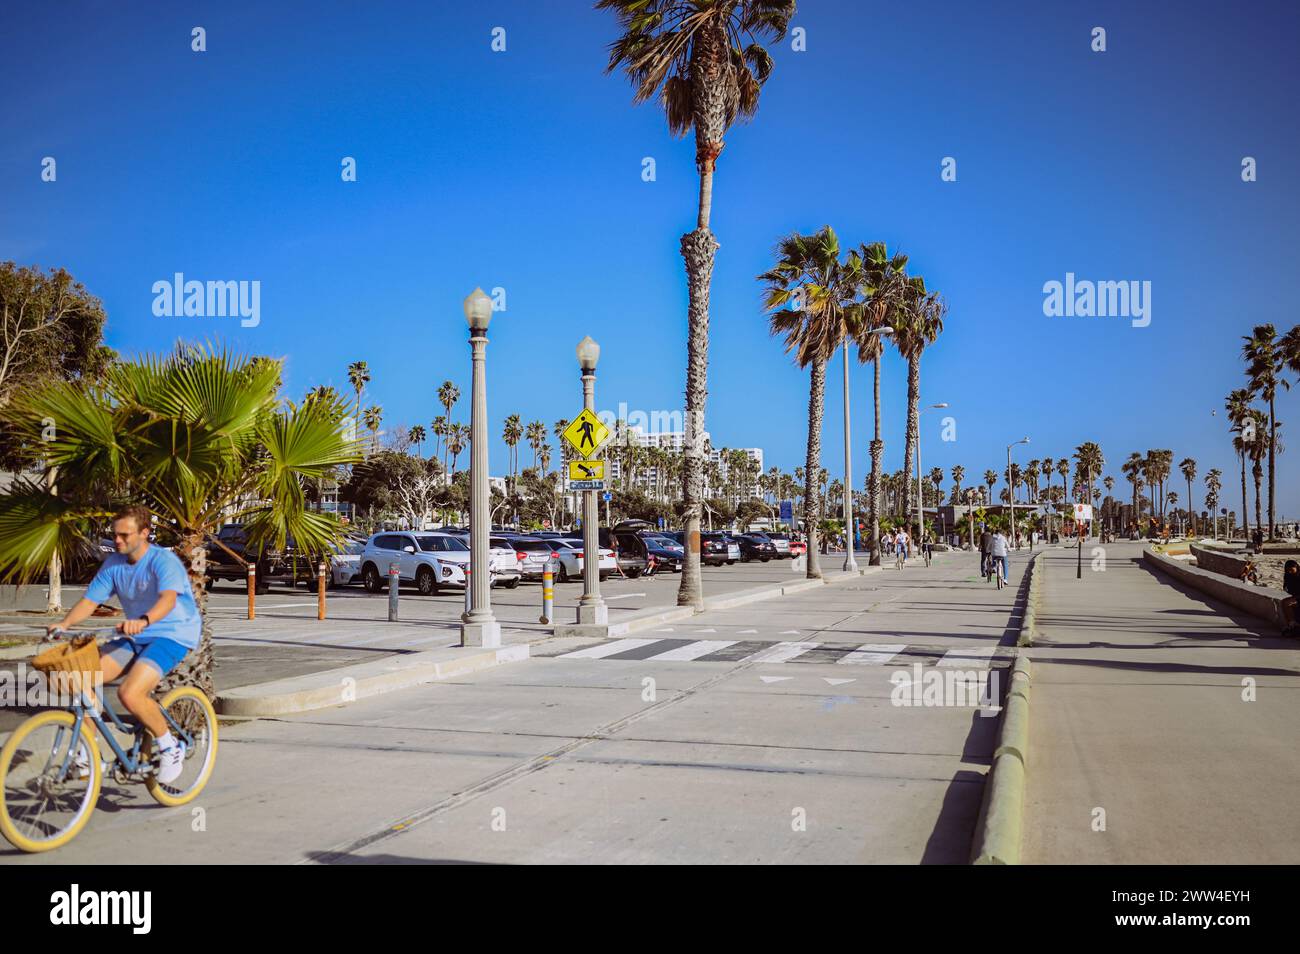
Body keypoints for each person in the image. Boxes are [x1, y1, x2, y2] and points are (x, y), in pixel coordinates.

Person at [47, 504, 201, 784]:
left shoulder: (162, 562)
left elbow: (167, 600)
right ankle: (85, 754)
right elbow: (90, 601)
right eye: (115, 534)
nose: (117, 540)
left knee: (130, 694)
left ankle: (169, 748)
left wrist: (143, 619)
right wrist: (64, 625)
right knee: (82, 679)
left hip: (173, 632)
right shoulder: (113, 564)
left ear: (145, 533)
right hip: (134, 634)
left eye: (125, 535)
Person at [1282, 560, 1300, 635]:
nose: (1290, 572)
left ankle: (1293, 625)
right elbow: (1287, 588)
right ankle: (1291, 624)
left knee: (1287, 603)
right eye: (1288, 570)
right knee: (1284, 602)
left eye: (1292, 570)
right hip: (1296, 596)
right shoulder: (1288, 576)